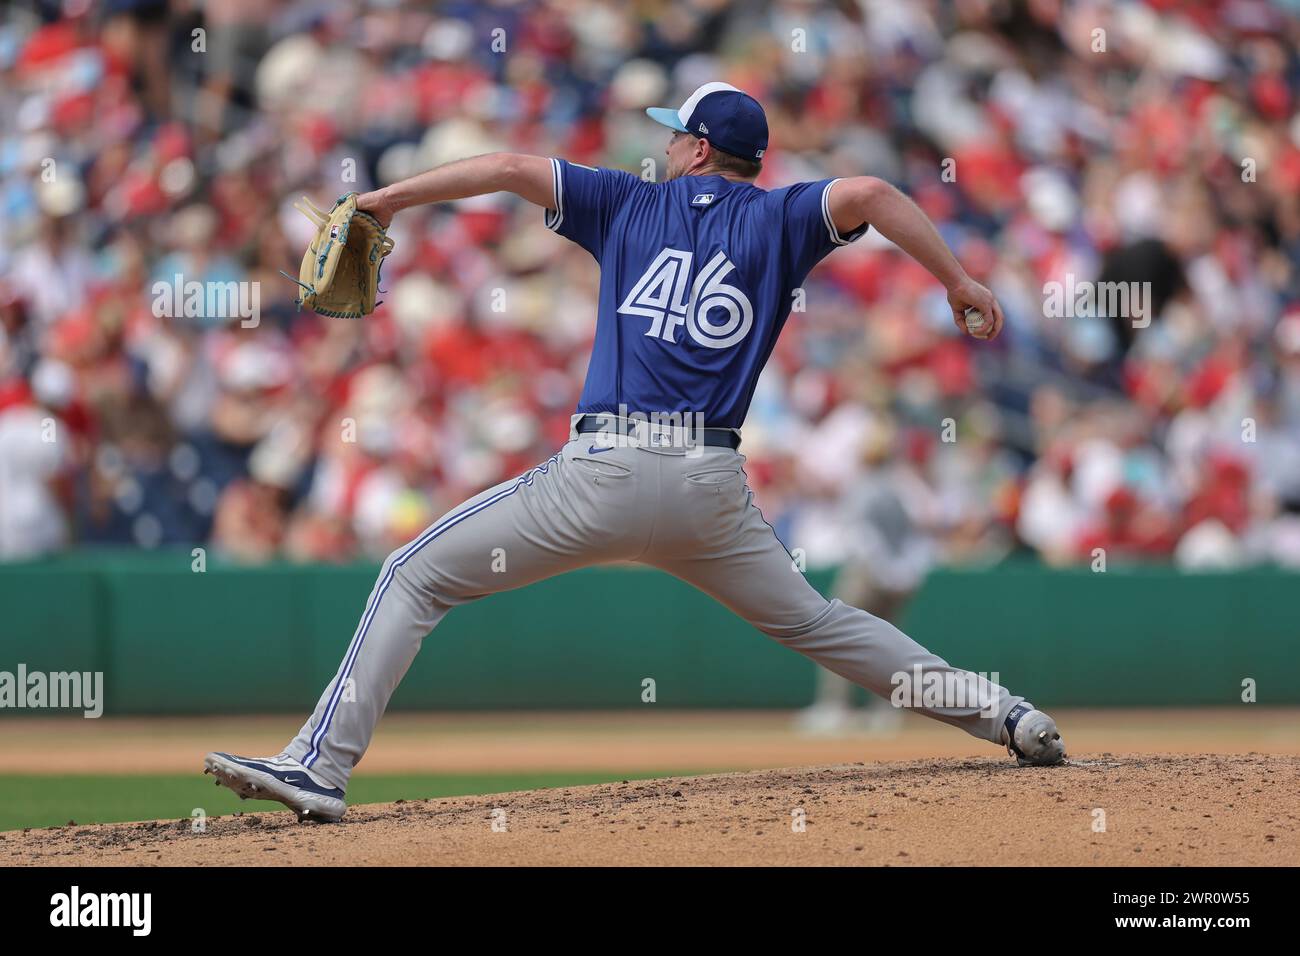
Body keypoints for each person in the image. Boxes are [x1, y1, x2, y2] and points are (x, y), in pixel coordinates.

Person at [205, 83, 1065, 822]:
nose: (663, 142)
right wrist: (958, 280)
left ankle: (319, 766)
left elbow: (506, 168)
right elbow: (875, 190)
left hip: (603, 476)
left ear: (696, 150)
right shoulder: (782, 218)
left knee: (412, 575)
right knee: (819, 623)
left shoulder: (626, 203)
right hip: (709, 488)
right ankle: (1008, 717)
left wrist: (385, 201)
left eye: (673, 131)